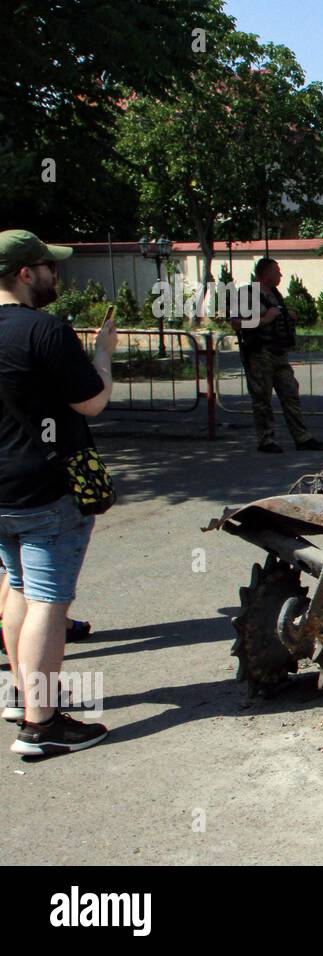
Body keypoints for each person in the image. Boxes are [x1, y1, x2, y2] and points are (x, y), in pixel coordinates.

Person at [0, 229, 114, 754]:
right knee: (49, 601)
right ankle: (41, 725)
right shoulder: (43, 330)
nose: (55, 275)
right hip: (45, 488)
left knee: (18, 589)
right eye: (49, 266)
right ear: (26, 273)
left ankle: (22, 696)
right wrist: (103, 355)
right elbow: (91, 403)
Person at [232, 257, 323, 454]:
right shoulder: (245, 295)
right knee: (262, 398)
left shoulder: (275, 294)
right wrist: (265, 319)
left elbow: (276, 315)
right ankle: (265, 439)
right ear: (265, 273)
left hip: (279, 352)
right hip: (259, 353)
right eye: (277, 271)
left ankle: (302, 438)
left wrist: (286, 315)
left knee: (290, 393)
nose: (280, 275)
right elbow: (236, 324)